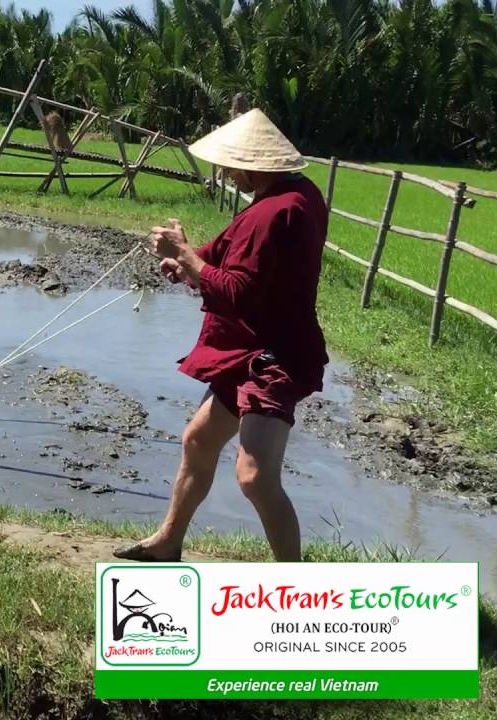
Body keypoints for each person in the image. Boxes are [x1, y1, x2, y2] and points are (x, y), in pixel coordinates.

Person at [113, 108, 328, 563]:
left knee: (254, 476)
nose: (227, 172)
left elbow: (238, 291)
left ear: (254, 163)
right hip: (250, 349)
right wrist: (188, 259)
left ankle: (296, 585)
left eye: (232, 164)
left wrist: (188, 258)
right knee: (199, 439)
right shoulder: (290, 194)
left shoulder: (279, 210)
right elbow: (230, 253)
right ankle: (168, 542)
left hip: (275, 357)